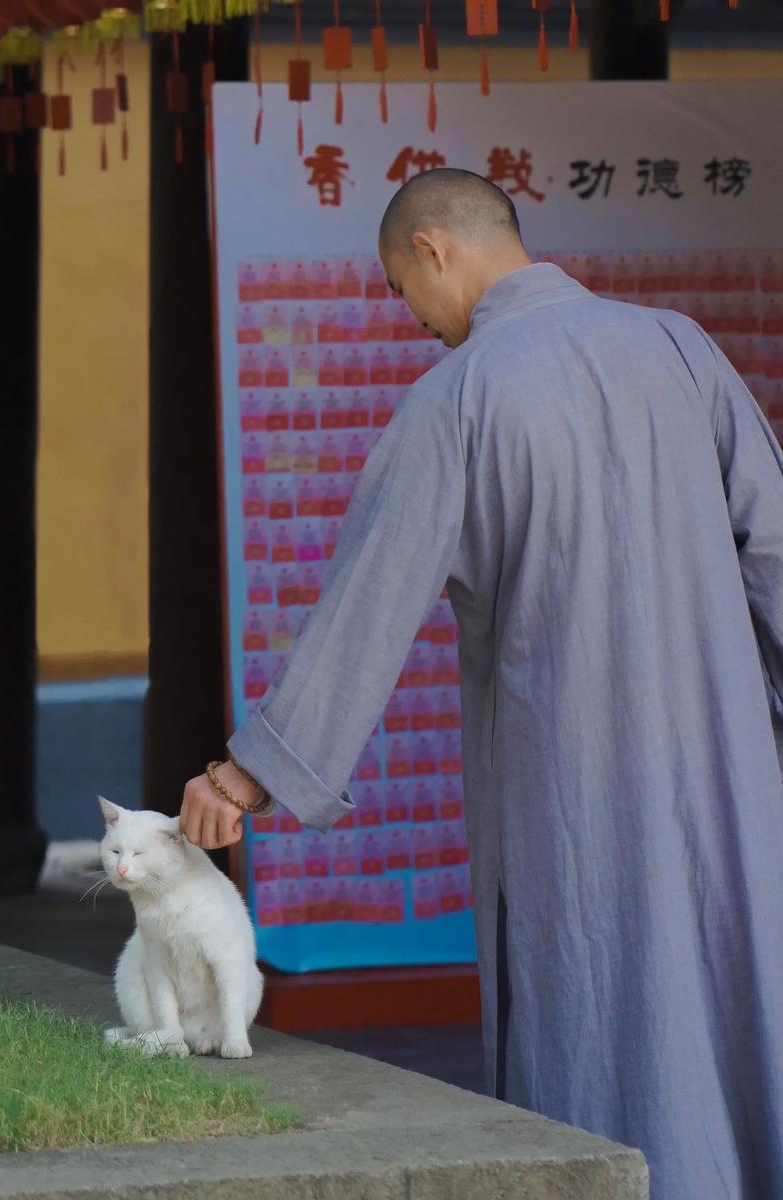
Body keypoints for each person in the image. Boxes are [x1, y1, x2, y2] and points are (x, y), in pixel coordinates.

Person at [180, 168, 783, 1199]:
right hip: (724, 776)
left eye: (400, 291)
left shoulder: (457, 398)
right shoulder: (679, 348)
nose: (412, 319)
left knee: (599, 1010)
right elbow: (771, 552)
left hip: (574, 793)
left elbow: (365, 606)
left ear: (432, 250)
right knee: (740, 996)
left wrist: (244, 780)